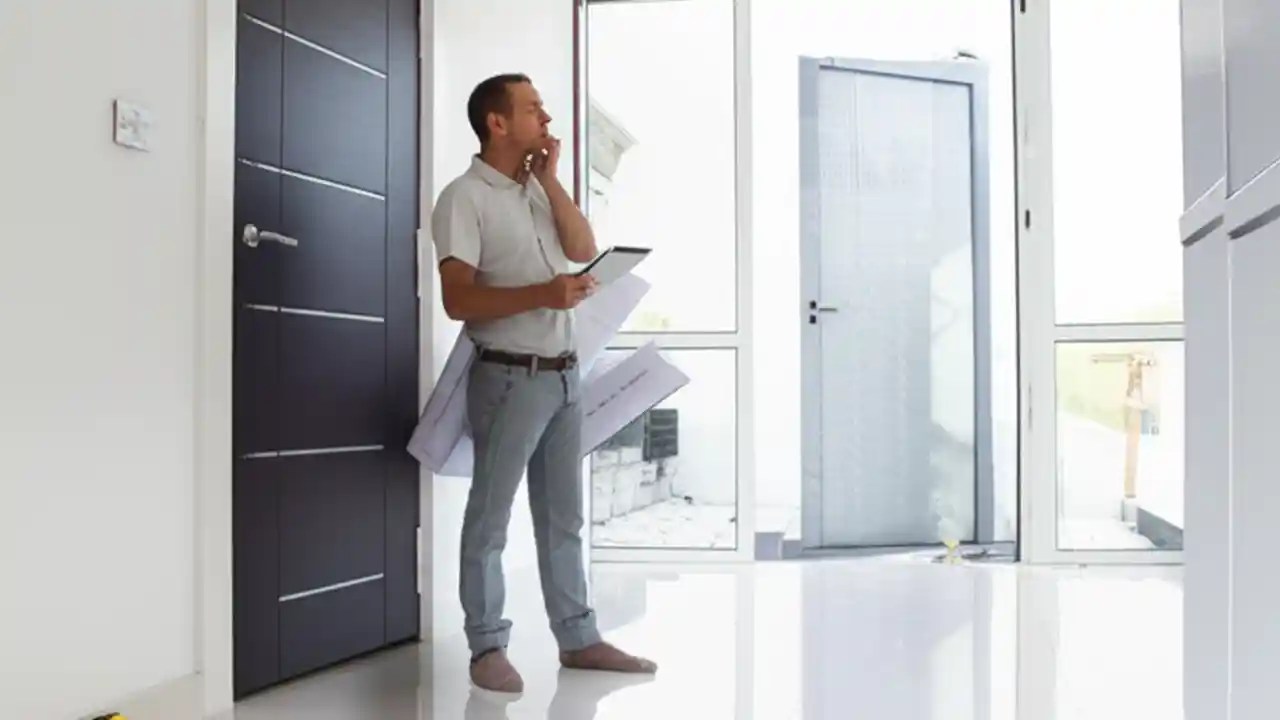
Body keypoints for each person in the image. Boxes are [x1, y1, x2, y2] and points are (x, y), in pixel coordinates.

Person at [431, 73, 658, 694]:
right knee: (490, 518)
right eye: (533, 108)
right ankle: (486, 648)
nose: (546, 117)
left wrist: (552, 179)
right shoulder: (463, 198)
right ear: (497, 123)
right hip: (507, 377)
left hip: (563, 376)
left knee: (564, 519)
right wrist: (544, 293)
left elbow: (582, 245)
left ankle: (579, 638)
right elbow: (457, 298)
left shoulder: (536, 192)